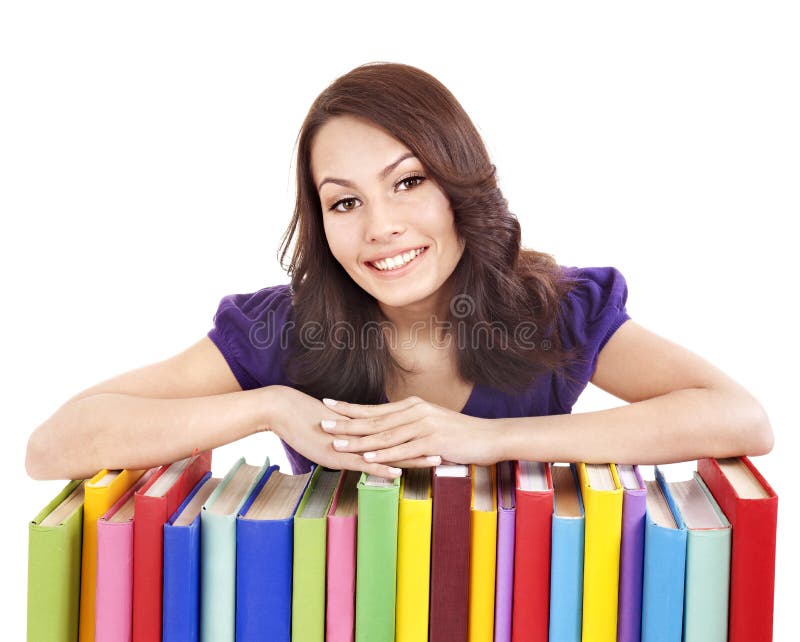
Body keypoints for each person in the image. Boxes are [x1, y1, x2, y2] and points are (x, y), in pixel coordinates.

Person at [25, 62, 773, 481]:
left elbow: (741, 417)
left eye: (408, 182)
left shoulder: (555, 307)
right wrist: (269, 408)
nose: (380, 226)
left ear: (458, 183)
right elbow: (53, 445)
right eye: (344, 201)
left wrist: (491, 440)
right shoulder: (280, 327)